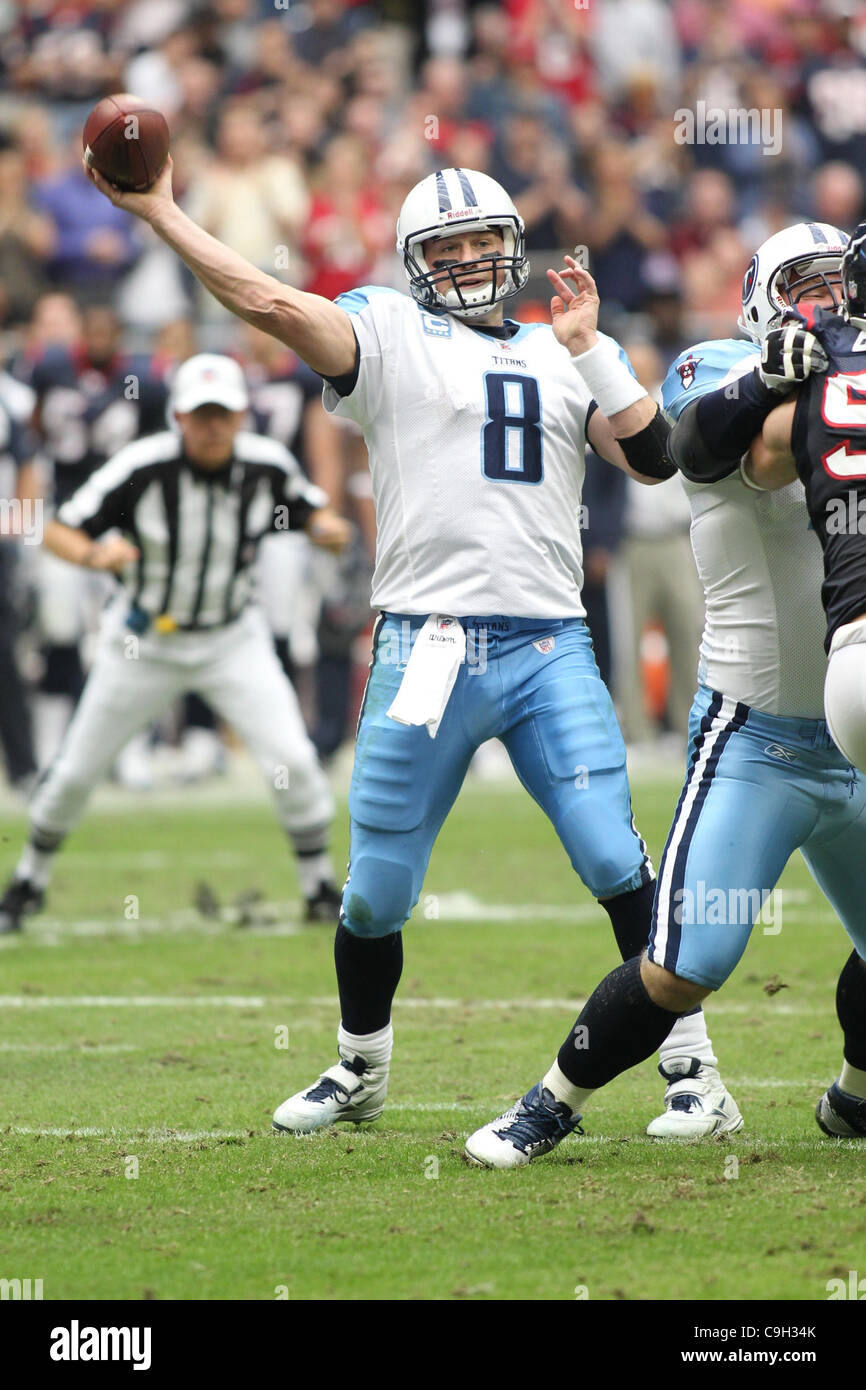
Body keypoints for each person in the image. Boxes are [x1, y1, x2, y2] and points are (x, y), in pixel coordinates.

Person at [84, 156, 731, 1136]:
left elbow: (652, 461)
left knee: (612, 854)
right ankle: (361, 1067)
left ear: (513, 247)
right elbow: (264, 298)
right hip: (424, 644)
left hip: (546, 644)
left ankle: (694, 1073)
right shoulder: (385, 329)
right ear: (414, 260)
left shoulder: (560, 347)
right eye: (448, 245)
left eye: (484, 241)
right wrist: (162, 212)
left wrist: (594, 349)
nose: (469, 258)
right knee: (376, 889)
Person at [466, 220, 866, 1166]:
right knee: (686, 965)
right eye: (802, 286)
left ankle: (855, 1096)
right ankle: (549, 1103)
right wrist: (779, 379)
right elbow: (715, 451)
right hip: (758, 740)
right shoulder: (720, 368)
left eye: (835, 285)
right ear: (761, 299)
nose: (823, 303)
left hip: (858, 732)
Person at [0, 353, 350, 934]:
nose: (212, 427)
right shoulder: (142, 467)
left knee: (293, 761)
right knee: (76, 770)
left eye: (223, 415)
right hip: (142, 643)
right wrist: (95, 554)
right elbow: (59, 528)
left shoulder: (265, 465)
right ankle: (29, 881)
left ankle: (317, 885)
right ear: (179, 417)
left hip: (231, 637)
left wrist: (327, 529)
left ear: (241, 416)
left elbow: (309, 511)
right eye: (201, 415)